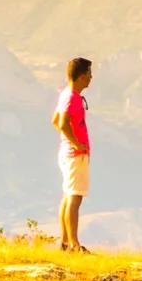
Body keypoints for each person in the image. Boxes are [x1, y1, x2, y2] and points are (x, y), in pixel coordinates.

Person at [53, 56, 92, 252]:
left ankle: (65, 242)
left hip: (67, 153)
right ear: (81, 76)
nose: (91, 78)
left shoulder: (65, 95)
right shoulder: (73, 98)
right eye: (89, 74)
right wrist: (78, 143)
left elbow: (55, 120)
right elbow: (61, 123)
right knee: (75, 198)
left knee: (68, 196)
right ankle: (74, 244)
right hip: (75, 154)